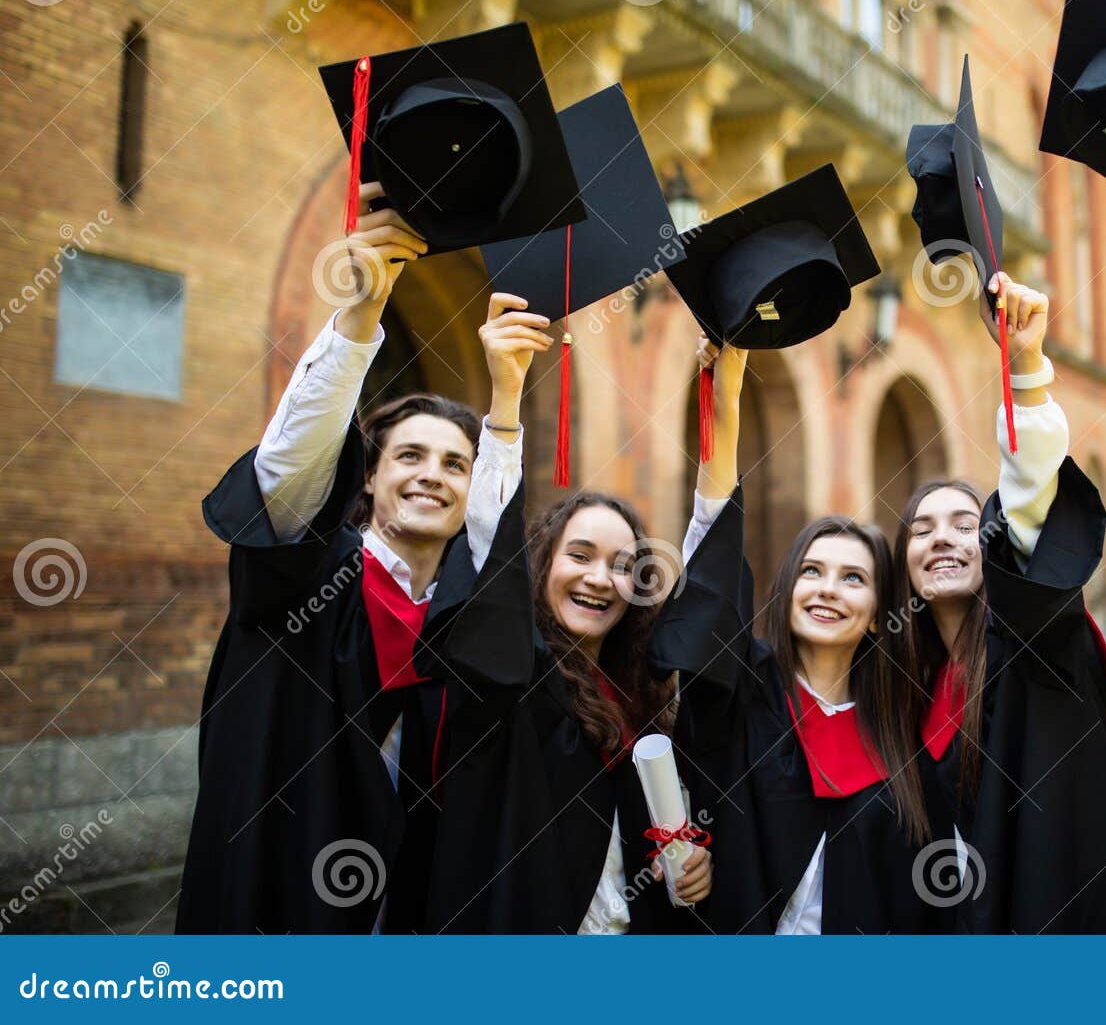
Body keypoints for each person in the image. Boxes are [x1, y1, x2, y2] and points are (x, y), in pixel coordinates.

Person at [177, 182, 549, 932]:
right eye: (410, 454)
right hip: (274, 910)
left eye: (455, 464)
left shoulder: (466, 628)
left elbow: (494, 549)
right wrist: (359, 317)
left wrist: (505, 403)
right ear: (368, 477)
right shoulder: (306, 579)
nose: (432, 475)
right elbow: (287, 475)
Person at [893, 274, 1106, 933]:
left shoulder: (1039, 639)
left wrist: (1025, 372)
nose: (942, 539)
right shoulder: (906, 681)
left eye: (964, 523)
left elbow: (1026, 504)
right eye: (921, 529)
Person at [652, 339, 938, 934]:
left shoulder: (900, 726)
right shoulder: (744, 694)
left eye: (853, 578)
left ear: (880, 605)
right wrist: (726, 401)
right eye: (812, 571)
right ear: (787, 589)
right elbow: (714, 574)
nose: (828, 589)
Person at [420, 487, 714, 932]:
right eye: (580, 556)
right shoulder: (514, 678)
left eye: (621, 567)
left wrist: (691, 861)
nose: (599, 579)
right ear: (541, 565)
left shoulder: (643, 704)